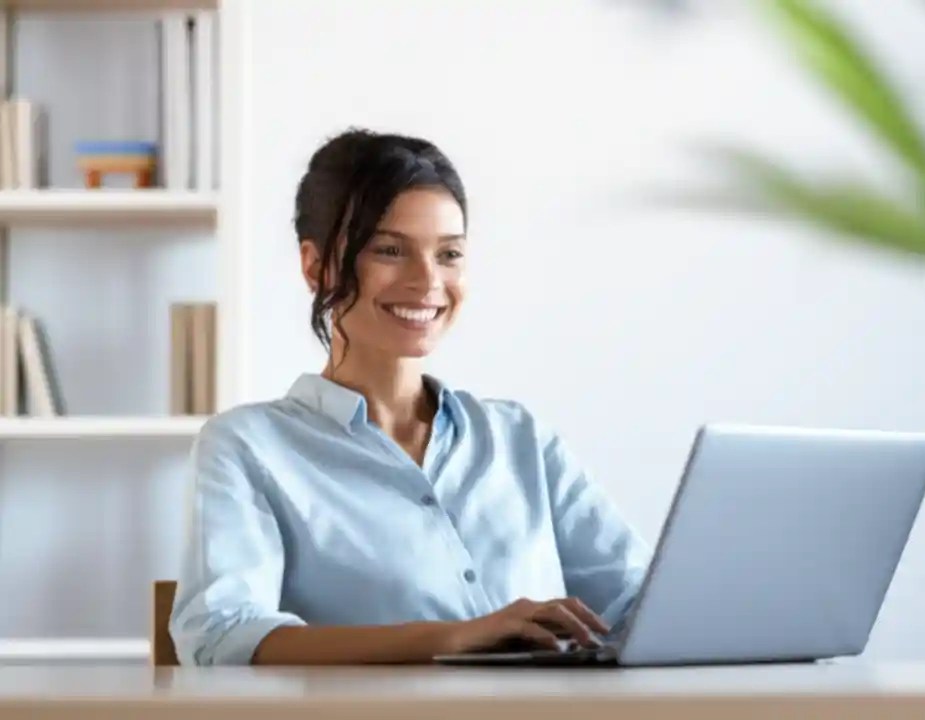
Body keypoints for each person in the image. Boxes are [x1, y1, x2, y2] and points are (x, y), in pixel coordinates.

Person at [169, 129, 651, 666]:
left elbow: (641, 605)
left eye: (449, 254)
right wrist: (455, 637)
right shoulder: (248, 447)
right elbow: (221, 638)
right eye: (390, 250)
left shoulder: (519, 438)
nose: (428, 282)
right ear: (316, 266)